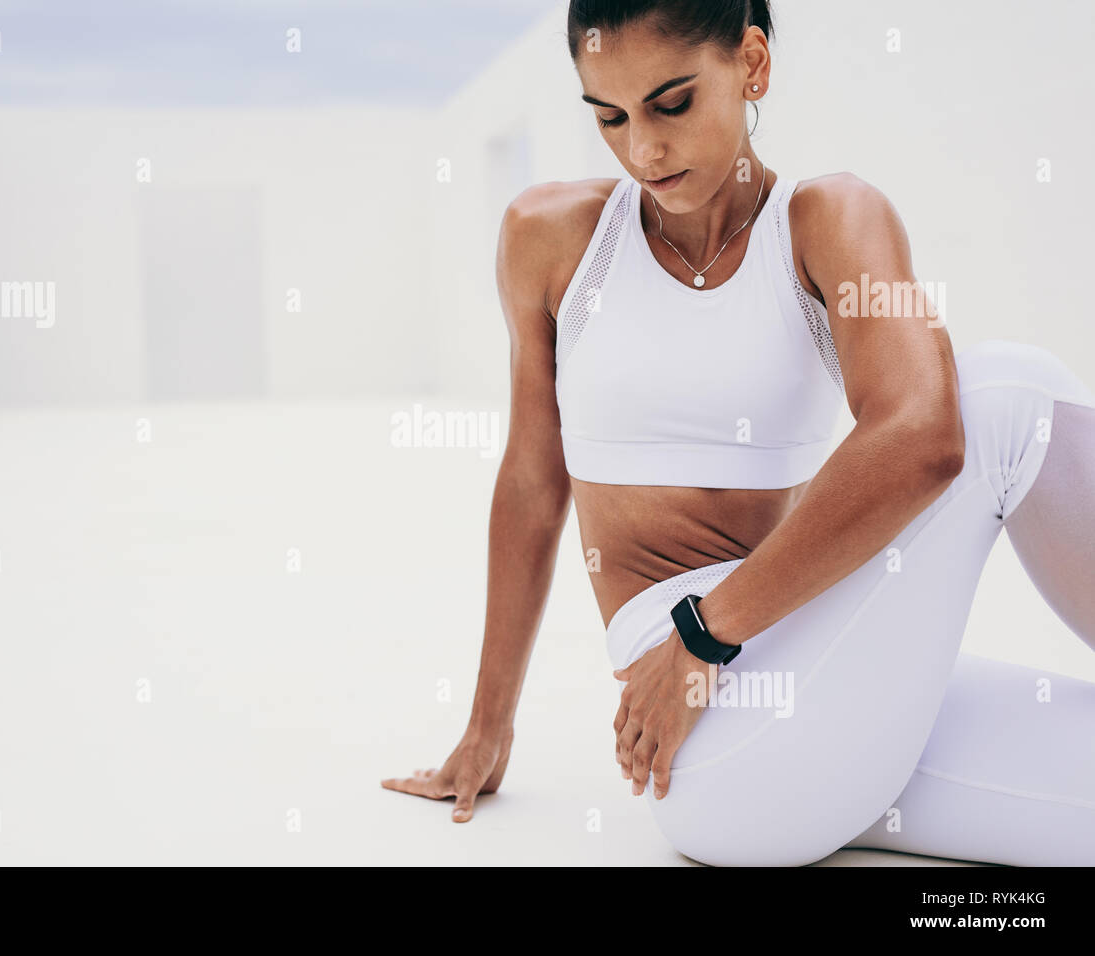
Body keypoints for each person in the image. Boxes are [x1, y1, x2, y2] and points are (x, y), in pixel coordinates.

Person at [382, 0, 1095, 865]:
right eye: (610, 116)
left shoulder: (832, 221)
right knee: (1011, 388)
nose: (642, 149)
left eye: (671, 103)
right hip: (708, 746)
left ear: (751, 64)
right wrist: (489, 728)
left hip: (814, 680)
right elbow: (533, 481)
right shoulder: (553, 239)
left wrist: (708, 630)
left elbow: (920, 439)